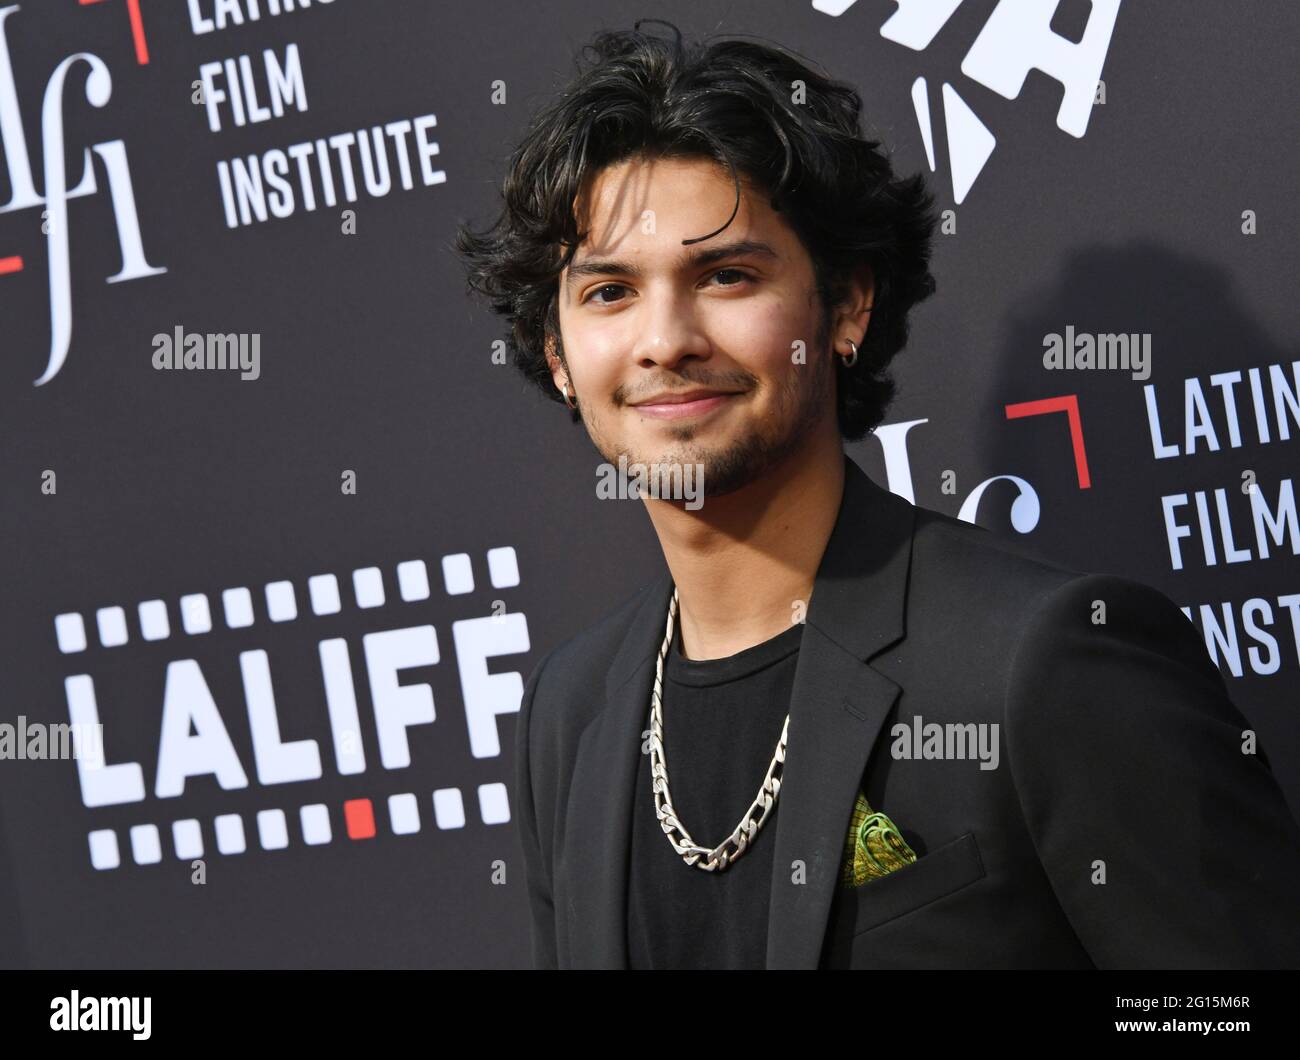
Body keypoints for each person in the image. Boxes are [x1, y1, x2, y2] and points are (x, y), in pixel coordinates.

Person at [454, 20, 1300, 969]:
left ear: (847, 303)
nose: (665, 339)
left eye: (726, 275)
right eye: (609, 292)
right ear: (556, 355)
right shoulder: (569, 715)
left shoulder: (1042, 661)